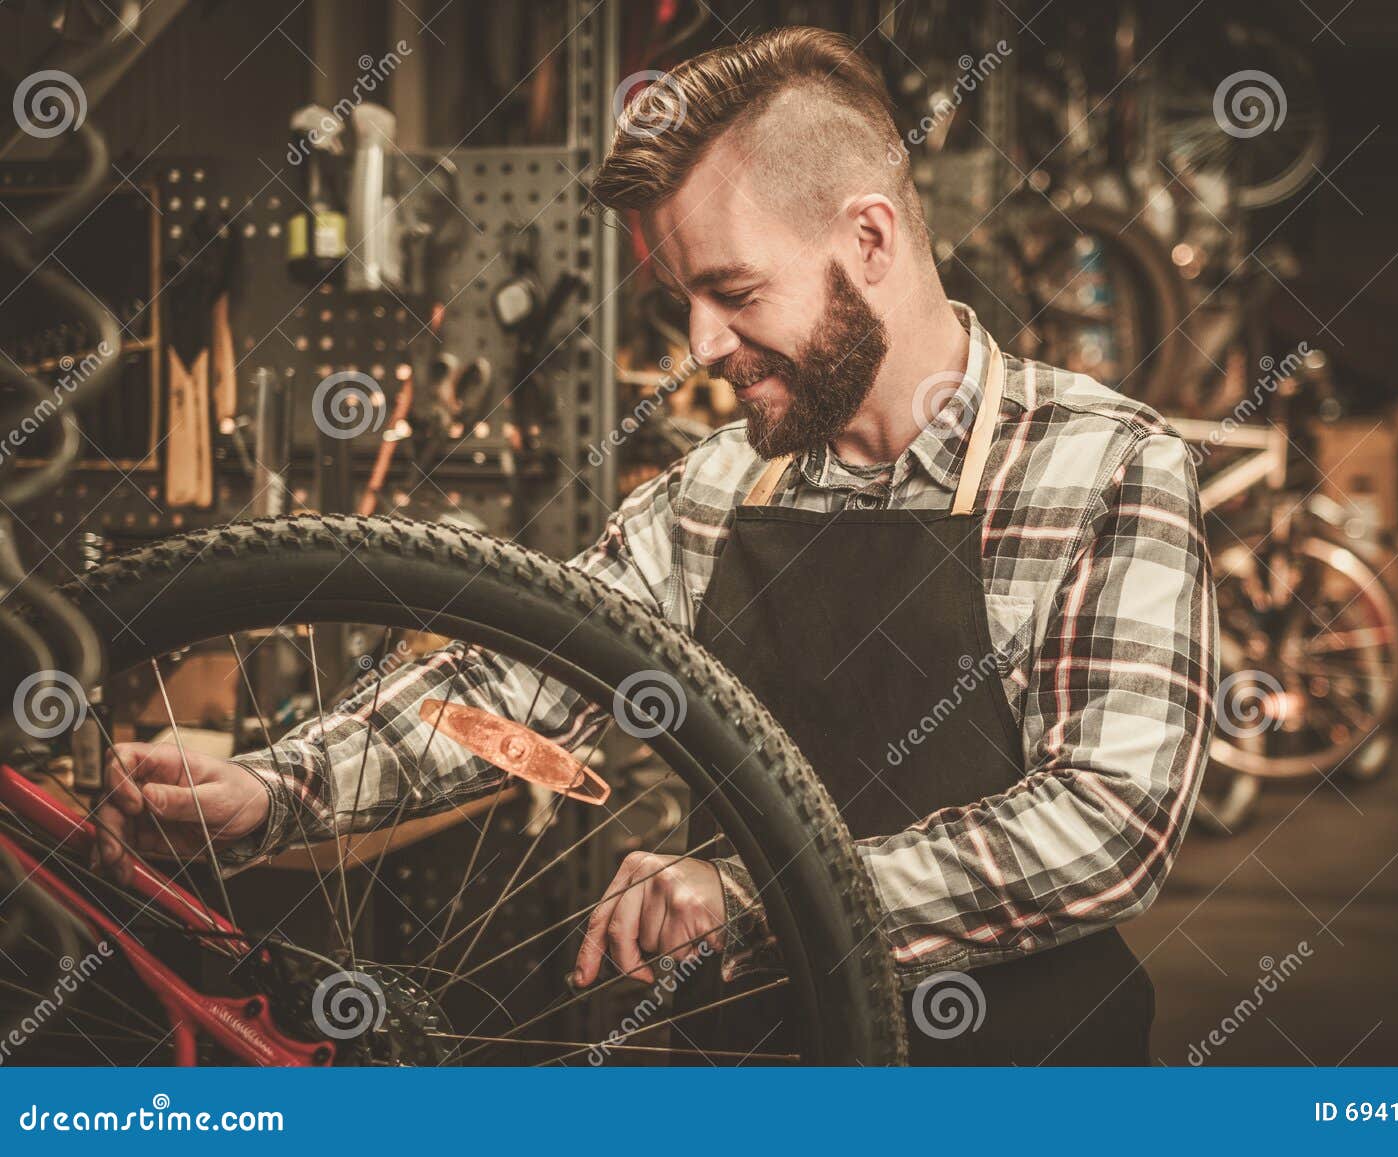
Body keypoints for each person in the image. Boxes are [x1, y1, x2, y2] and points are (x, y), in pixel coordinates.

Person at [97, 26, 1217, 1064]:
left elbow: (1106, 823)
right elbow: (511, 689)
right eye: (684, 299)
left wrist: (762, 893)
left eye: (732, 292)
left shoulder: (1105, 469)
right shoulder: (718, 491)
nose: (699, 345)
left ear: (868, 236)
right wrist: (271, 785)